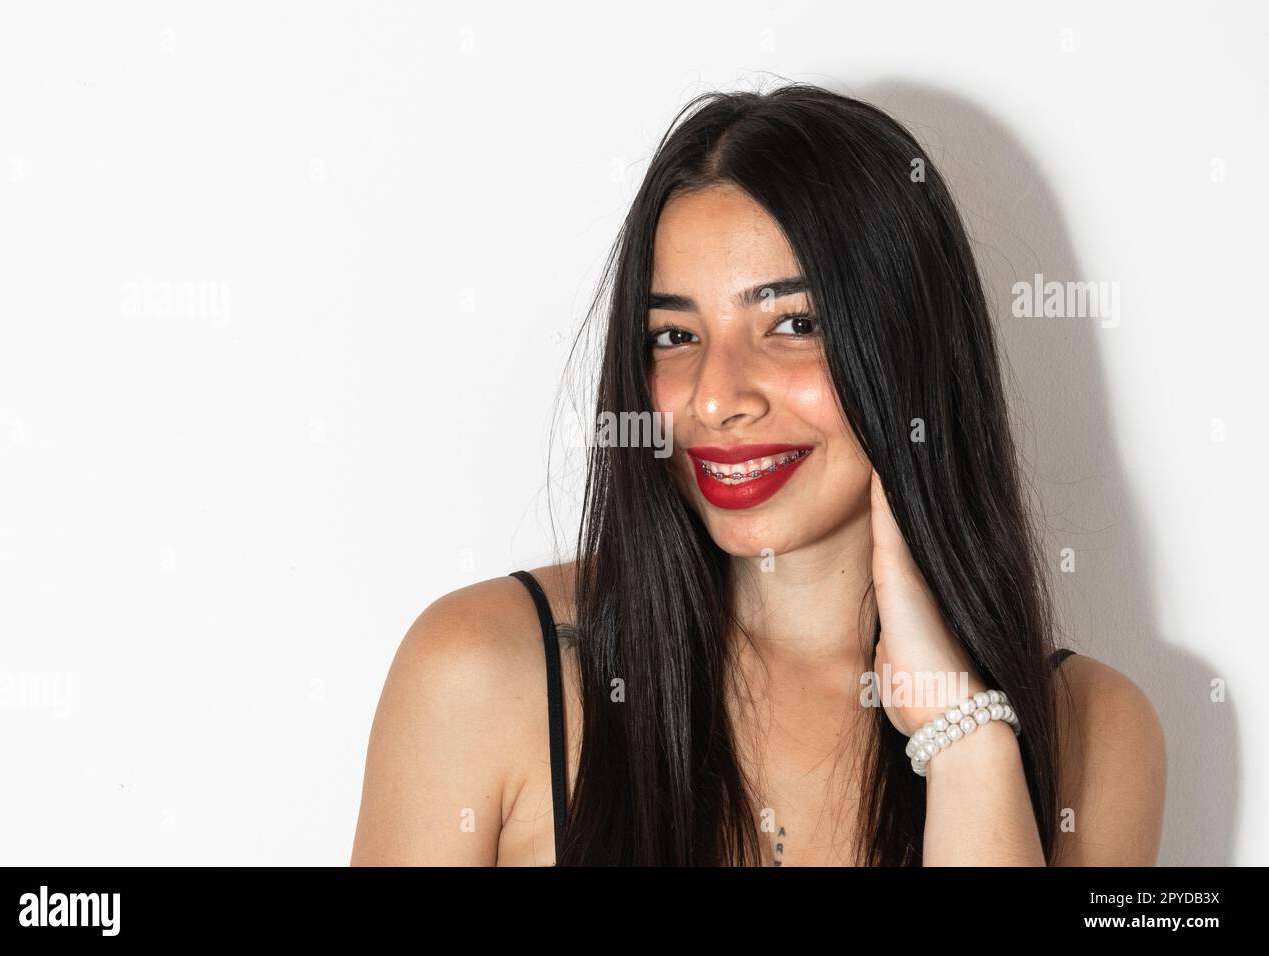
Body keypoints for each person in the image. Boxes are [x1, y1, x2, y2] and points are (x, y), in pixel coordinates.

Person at [350, 83, 1166, 866]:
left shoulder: (1095, 732)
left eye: (793, 323)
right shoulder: (477, 671)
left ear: (909, 349)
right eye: (674, 336)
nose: (716, 397)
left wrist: (965, 738)